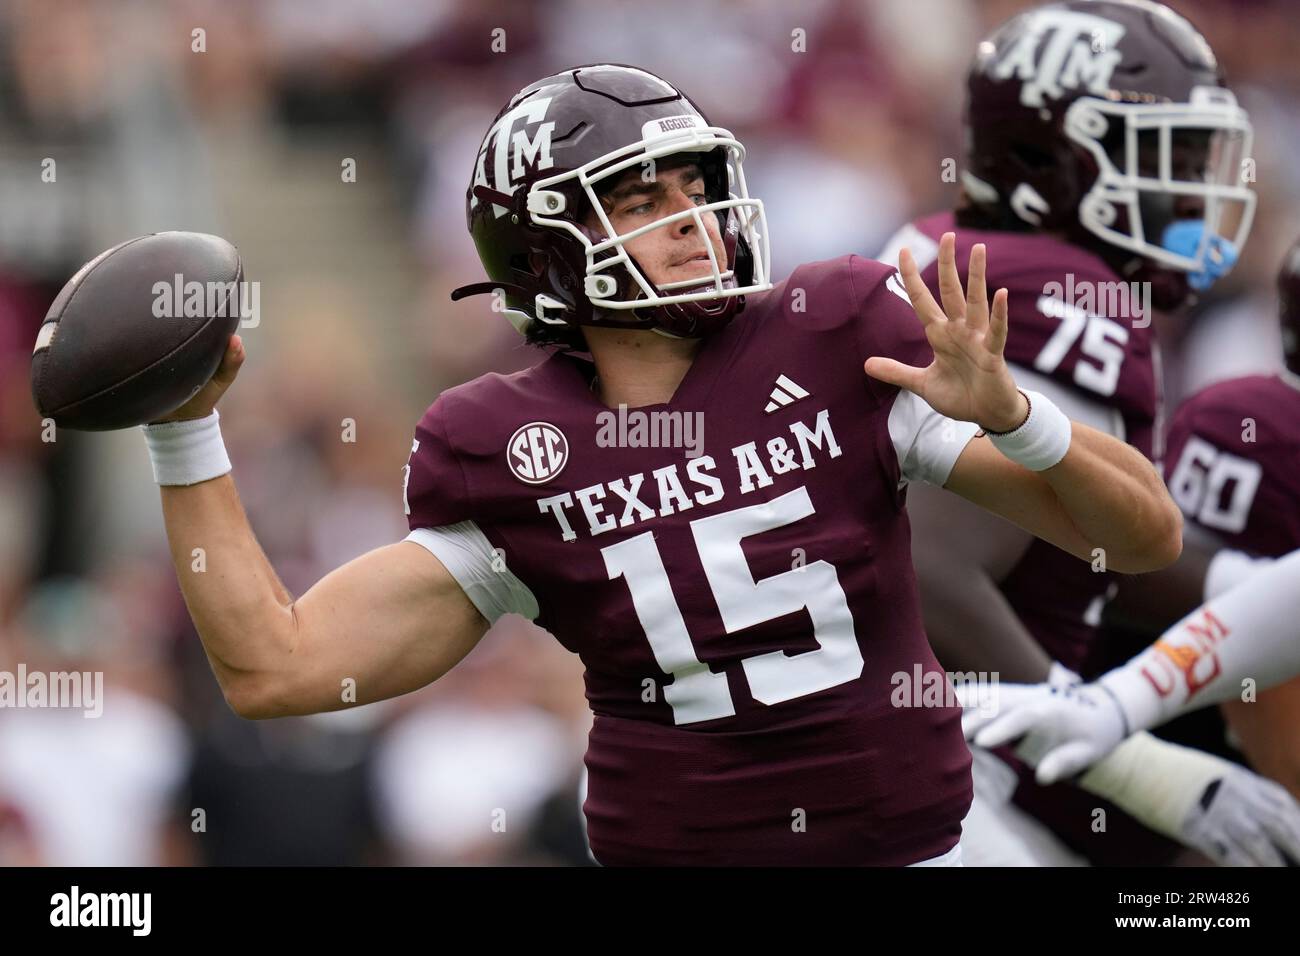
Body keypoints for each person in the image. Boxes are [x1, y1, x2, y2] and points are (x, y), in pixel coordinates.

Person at [139, 64, 1180, 866]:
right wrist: (184, 430)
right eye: (640, 201)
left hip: (916, 850)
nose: (692, 220)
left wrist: (1015, 414)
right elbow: (276, 667)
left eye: (694, 185)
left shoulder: (836, 336)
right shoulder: (505, 447)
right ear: (545, 251)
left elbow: (1140, 534)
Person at [874, 0, 1265, 864]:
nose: (1193, 191)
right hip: (922, 776)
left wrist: (1249, 587)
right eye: (1170, 160)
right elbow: (927, 564)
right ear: (1050, 161)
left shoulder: (943, 244)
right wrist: (1122, 759)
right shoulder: (1054, 289)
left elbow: (1063, 533)